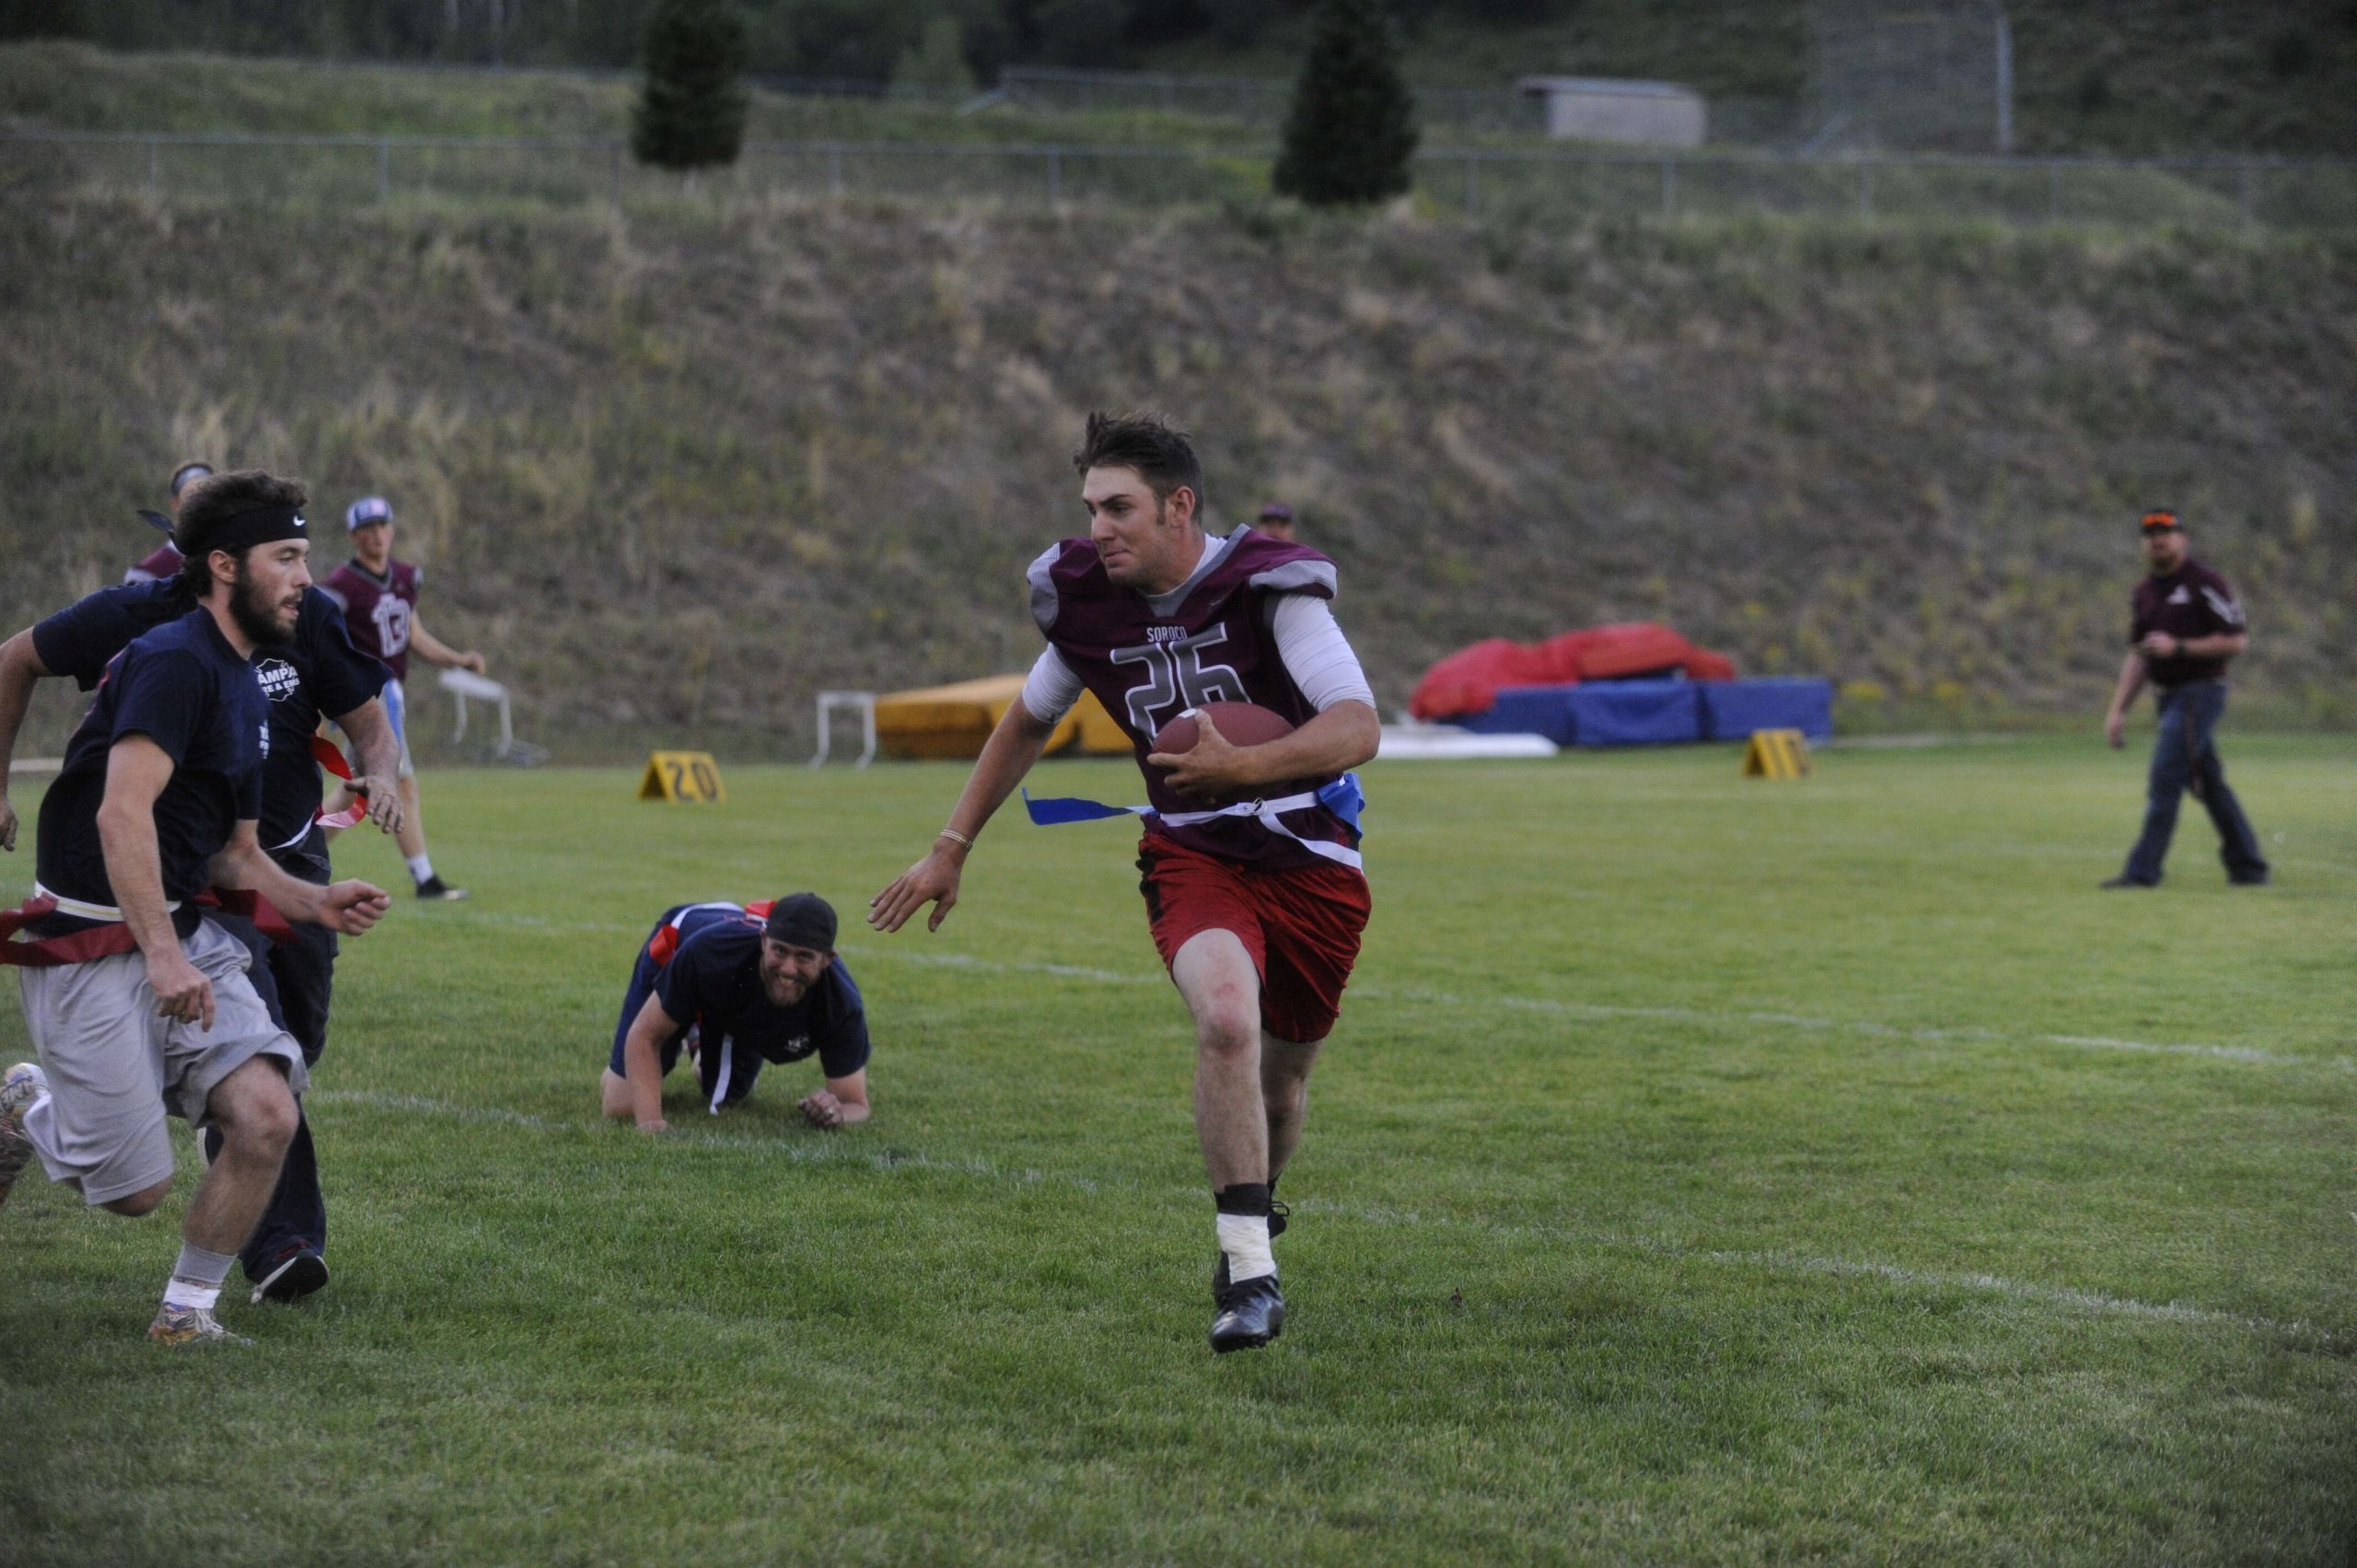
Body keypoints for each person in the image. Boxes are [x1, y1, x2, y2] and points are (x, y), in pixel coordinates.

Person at [870, 412, 1379, 1353]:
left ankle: (1253, 1211)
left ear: (1178, 506)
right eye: (1089, 507)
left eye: (1119, 508)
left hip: (1309, 856)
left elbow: (1356, 726)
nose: (1097, 528)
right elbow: (1025, 721)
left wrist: (1248, 770)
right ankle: (1247, 1271)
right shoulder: (1087, 601)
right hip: (1192, 852)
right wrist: (951, 844)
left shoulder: (1269, 587)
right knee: (1225, 1015)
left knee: (1286, 1084)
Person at [0, 470, 391, 1344]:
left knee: (266, 1114)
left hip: (178, 926)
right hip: (93, 941)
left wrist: (315, 899)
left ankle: (187, 1311)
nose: (305, 577)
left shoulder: (250, 683)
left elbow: (235, 853)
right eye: (287, 558)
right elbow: (121, 812)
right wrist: (166, 957)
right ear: (224, 565)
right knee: (133, 1191)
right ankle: (26, 1104)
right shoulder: (173, 661)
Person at [319, 494, 486, 900]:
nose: (377, 535)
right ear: (354, 536)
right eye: (368, 528)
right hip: (369, 695)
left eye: (382, 526)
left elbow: (413, 636)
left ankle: (300, 854)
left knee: (358, 784)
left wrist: (457, 659)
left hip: (390, 691)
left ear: (392, 529)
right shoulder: (340, 588)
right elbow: (322, 644)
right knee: (400, 784)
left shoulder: (406, 577)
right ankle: (425, 879)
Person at [599, 894, 871, 1133]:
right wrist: (652, 1124)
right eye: (780, 950)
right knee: (621, 1104)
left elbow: (855, 1104)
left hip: (732, 991)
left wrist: (835, 1111)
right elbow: (645, 1037)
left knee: (729, 1095)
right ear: (763, 940)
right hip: (680, 943)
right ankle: (686, 1020)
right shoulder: (709, 951)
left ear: (828, 959)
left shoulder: (841, 1002)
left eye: (804, 957)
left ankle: (697, 1039)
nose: (788, 968)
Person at [2100, 508, 2270, 889]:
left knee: (2166, 775)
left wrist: (2178, 647)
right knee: (2209, 784)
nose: (2158, 539)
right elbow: (2140, 655)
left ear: (2183, 538)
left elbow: (2237, 640)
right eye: (2150, 534)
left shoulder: (2204, 582)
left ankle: (2142, 872)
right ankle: (2249, 868)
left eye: (2166, 531)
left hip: (2200, 693)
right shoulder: (2144, 593)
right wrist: (2118, 710)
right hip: (2168, 697)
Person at [123, 460, 215, 585]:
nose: (200, 502)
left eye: (207, 493)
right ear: (175, 504)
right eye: (191, 495)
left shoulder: (235, 561)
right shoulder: (148, 574)